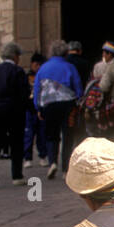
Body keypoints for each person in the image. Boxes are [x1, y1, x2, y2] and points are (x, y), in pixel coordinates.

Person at [0, 42, 30, 188]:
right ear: (15, 56)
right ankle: (16, 175)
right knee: (16, 142)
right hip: (13, 110)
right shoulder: (18, 71)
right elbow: (24, 93)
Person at [34, 40, 83, 179]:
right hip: (67, 104)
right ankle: (65, 169)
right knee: (67, 136)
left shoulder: (43, 68)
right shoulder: (70, 67)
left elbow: (37, 88)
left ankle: (52, 162)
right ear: (65, 52)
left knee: (51, 135)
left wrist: (38, 107)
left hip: (49, 105)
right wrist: (78, 100)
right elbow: (78, 87)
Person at [23, 52, 49, 167]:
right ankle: (27, 158)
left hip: (41, 108)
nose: (37, 67)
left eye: (40, 64)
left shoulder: (45, 76)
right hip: (29, 109)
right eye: (35, 64)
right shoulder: (26, 76)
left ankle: (43, 156)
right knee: (29, 134)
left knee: (42, 134)